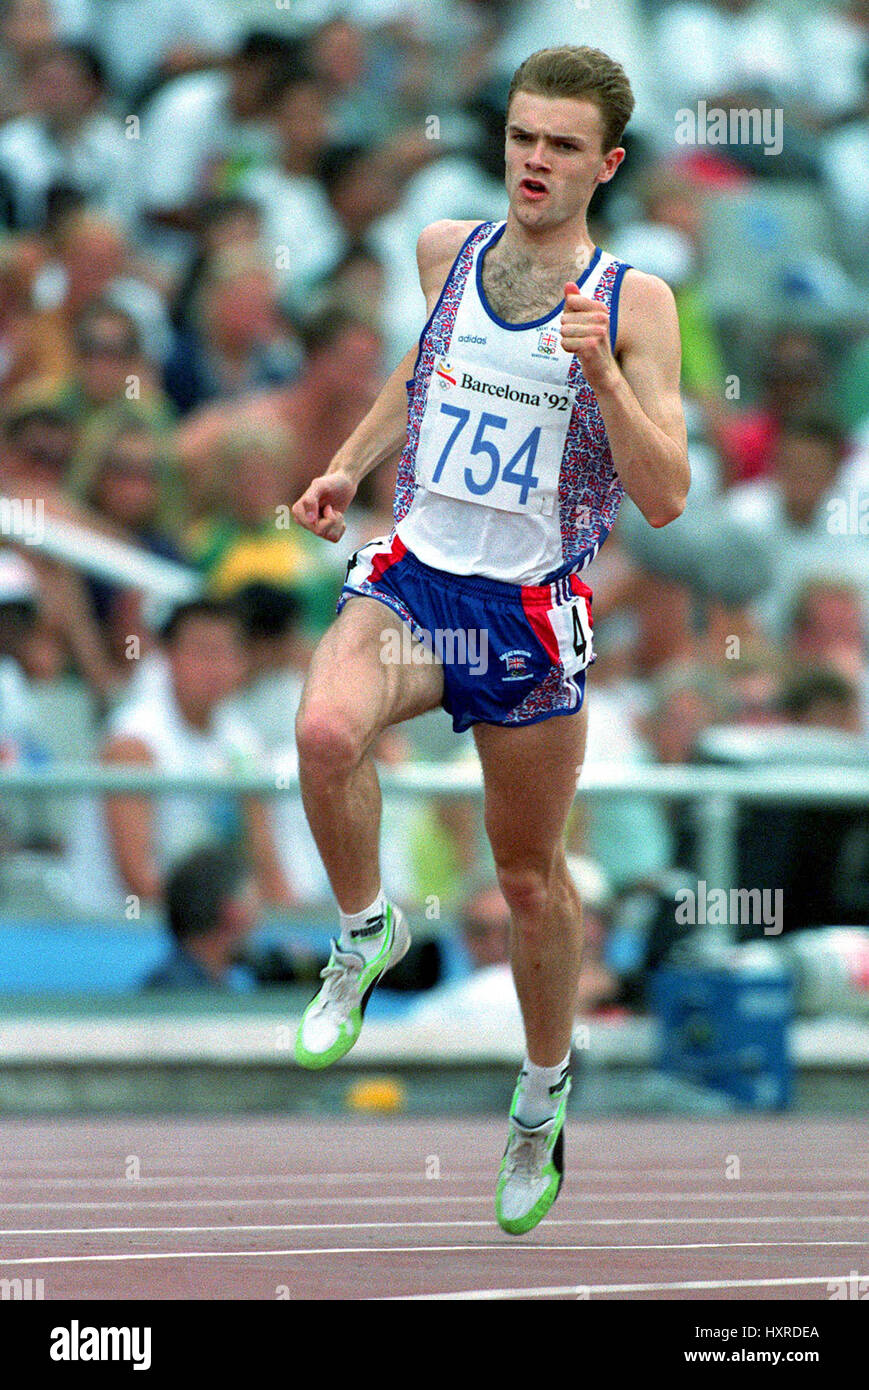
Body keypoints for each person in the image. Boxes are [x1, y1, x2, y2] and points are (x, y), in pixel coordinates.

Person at [290, 45, 689, 1236]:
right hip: (415, 580)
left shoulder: (633, 301)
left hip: (523, 614)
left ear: (603, 165)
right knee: (322, 729)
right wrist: (344, 467)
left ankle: (540, 1093)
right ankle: (365, 930)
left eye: (562, 146)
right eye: (523, 136)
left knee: (524, 877)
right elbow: (426, 371)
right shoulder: (444, 250)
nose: (534, 160)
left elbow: (663, 494)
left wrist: (602, 377)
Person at [142, 843, 260, 991]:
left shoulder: (167, 986)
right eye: (253, 905)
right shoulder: (179, 998)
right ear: (233, 913)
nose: (258, 922)